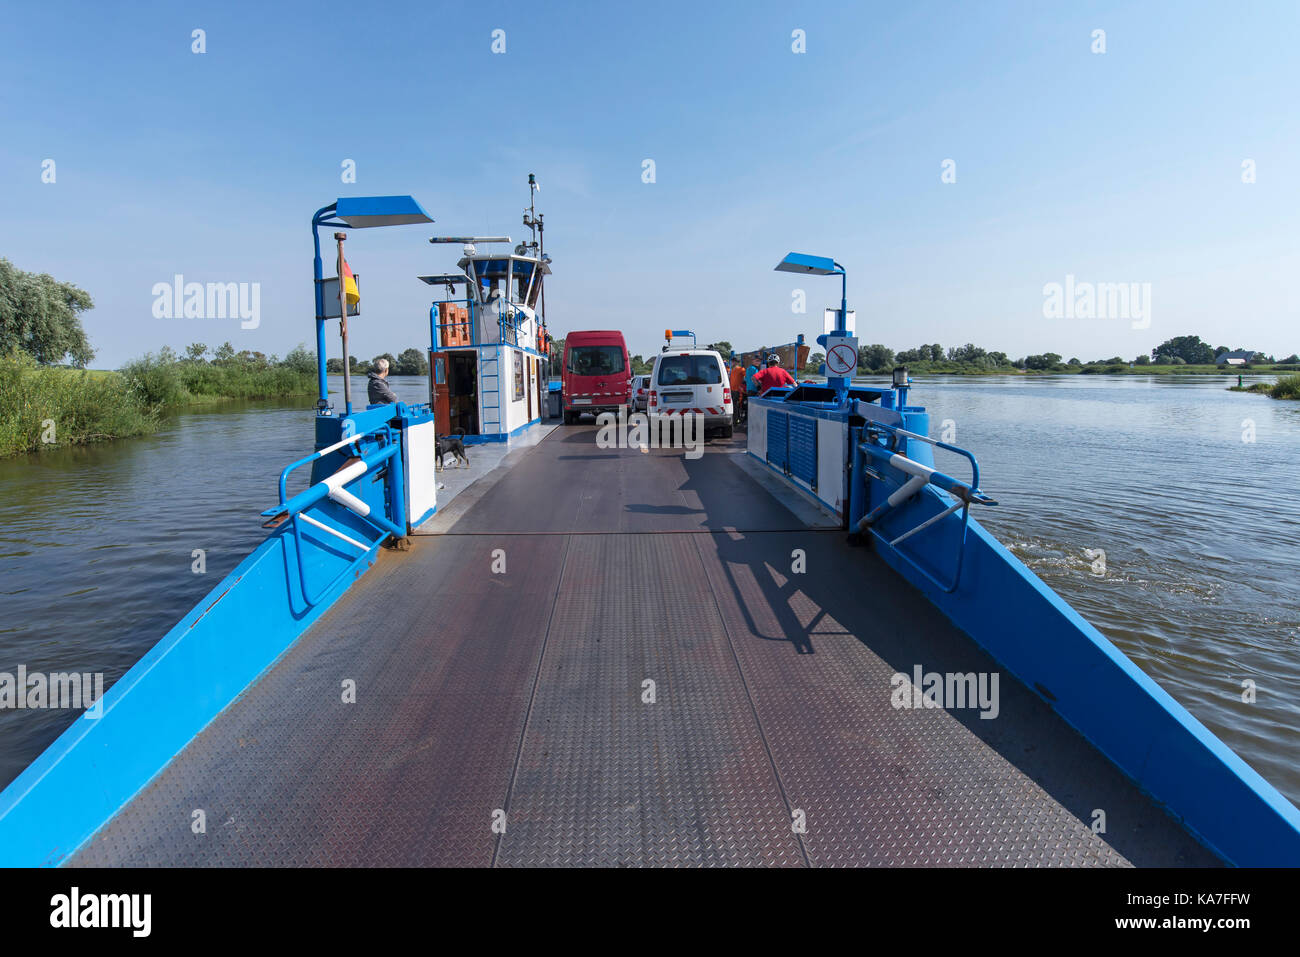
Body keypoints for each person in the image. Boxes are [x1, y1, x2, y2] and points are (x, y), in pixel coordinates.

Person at [729, 353, 747, 423]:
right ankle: (735, 419)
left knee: (736, 406)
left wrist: (742, 386)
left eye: (733, 361)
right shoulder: (732, 370)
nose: (732, 362)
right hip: (732, 390)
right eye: (732, 361)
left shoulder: (741, 369)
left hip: (738, 391)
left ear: (736, 362)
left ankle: (736, 420)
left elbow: (746, 377)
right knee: (734, 406)